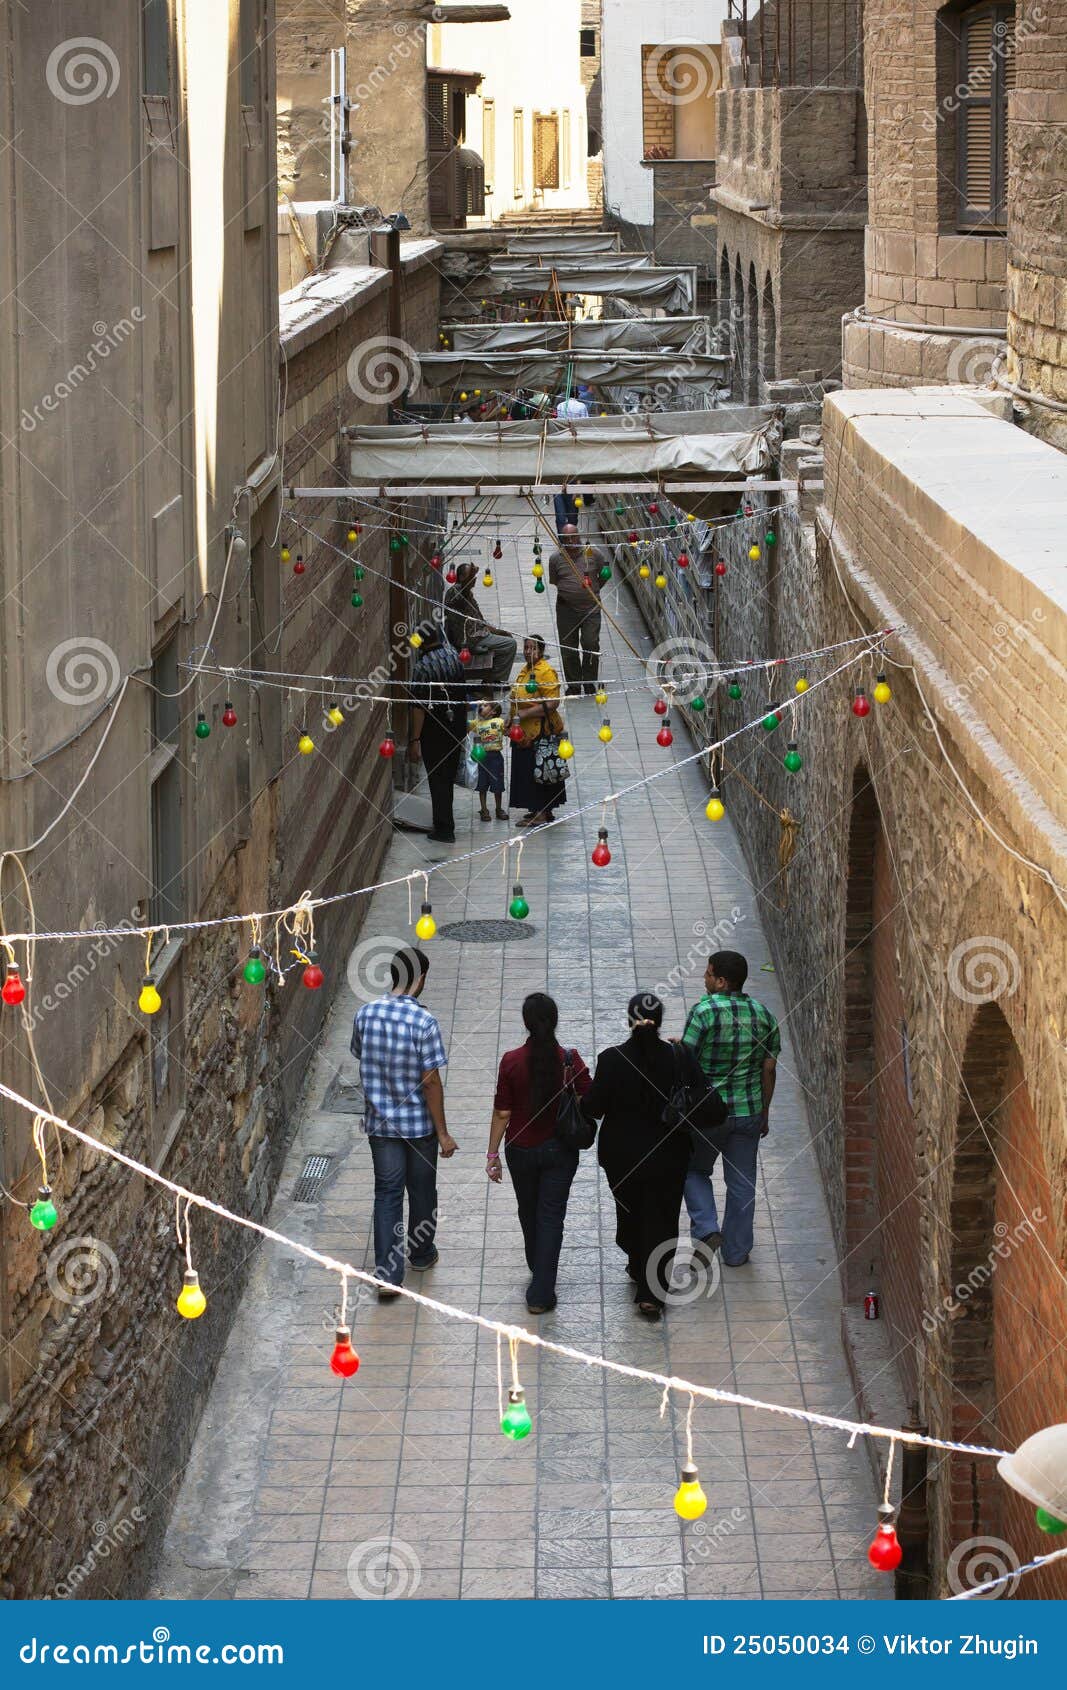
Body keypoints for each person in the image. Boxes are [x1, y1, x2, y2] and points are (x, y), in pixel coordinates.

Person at [581, 992, 699, 1320]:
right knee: (662, 1219)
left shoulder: (612, 1059)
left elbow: (595, 1107)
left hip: (623, 1157)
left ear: (628, 1019)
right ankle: (652, 1292)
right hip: (670, 1153)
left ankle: (637, 1262)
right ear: (660, 1021)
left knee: (631, 1213)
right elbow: (703, 1098)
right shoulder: (680, 1056)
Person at [351, 947, 458, 1299]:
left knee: (387, 1194)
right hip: (419, 1128)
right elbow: (431, 1081)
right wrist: (442, 1133)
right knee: (423, 1190)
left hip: (381, 1126)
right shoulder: (424, 1023)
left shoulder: (365, 1015)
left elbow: (359, 1052)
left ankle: (387, 1276)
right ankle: (422, 1253)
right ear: (421, 978)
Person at [486, 993, 591, 1313]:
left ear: (526, 1023)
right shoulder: (570, 1060)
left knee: (528, 1211)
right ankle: (542, 1291)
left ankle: (539, 1270)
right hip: (560, 1151)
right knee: (551, 1217)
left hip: (520, 1150)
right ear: (555, 1021)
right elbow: (591, 1101)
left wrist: (492, 1155)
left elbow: (503, 1113)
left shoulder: (511, 1061)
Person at [681, 950, 780, 1267]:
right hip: (748, 1111)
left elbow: (686, 1061)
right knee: (741, 1183)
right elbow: (769, 1070)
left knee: (693, 1169)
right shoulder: (763, 1015)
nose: (704, 978)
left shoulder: (703, 1013)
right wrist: (764, 1113)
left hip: (708, 1114)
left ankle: (707, 1227)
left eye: (708, 973)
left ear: (721, 981)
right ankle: (736, 1252)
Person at [407, 620, 467, 844]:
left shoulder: (423, 668)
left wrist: (414, 740)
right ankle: (445, 820)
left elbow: (418, 707)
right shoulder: (453, 656)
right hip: (455, 727)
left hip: (434, 731)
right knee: (448, 776)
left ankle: (444, 829)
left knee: (437, 779)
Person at [508, 634, 567, 828]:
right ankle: (539, 809)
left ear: (541, 651)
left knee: (540, 770)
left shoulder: (546, 672)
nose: (528, 652)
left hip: (538, 731)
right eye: (526, 648)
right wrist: (511, 719)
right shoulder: (525, 671)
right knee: (529, 771)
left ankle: (542, 812)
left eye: (532, 648)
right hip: (522, 731)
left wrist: (526, 713)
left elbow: (552, 703)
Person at [548, 523, 607, 696]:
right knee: (568, 647)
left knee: (590, 643)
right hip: (566, 610)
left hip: (591, 608)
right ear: (562, 540)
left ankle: (589, 681)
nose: (572, 541)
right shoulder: (556, 559)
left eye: (574, 537)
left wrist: (591, 591)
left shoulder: (594, 554)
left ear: (579, 536)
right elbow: (555, 581)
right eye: (567, 539)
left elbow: (604, 576)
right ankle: (573, 684)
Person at [442, 562, 517, 690]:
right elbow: (464, 590)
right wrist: (471, 574)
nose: (474, 579)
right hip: (471, 640)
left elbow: (480, 620)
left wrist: (499, 632)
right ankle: (494, 681)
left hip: (480, 634)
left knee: (506, 638)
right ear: (461, 578)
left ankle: (493, 679)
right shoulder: (455, 593)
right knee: (510, 644)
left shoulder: (468, 594)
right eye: (470, 576)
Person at [469, 698, 507, 822]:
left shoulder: (499, 721)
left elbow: (507, 727)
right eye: (482, 705)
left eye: (485, 706)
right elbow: (467, 725)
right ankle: (484, 809)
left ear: (493, 712)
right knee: (482, 784)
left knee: (498, 784)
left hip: (496, 757)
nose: (482, 707)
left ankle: (498, 808)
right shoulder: (477, 723)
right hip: (482, 757)